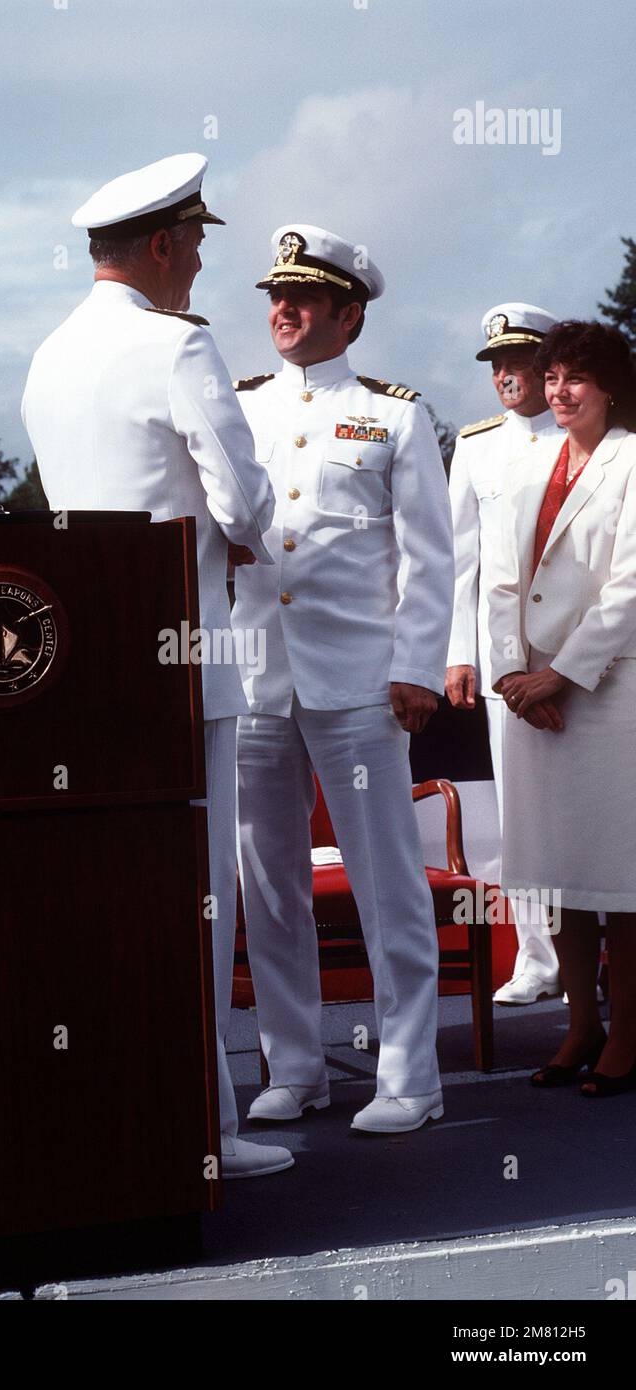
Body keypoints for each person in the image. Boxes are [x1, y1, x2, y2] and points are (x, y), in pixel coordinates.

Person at [21, 154, 292, 1176]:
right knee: (193, 887)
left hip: (87, 662)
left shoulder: (47, 355)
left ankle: (130, 1111)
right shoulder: (176, 346)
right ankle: (201, 1126)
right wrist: (252, 537)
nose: (196, 269)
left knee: (113, 889)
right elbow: (241, 496)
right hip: (188, 653)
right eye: (196, 247)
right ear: (166, 247)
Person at [231, 224, 454, 1133]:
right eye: (276, 298)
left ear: (348, 314)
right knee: (268, 884)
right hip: (253, 676)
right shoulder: (237, 406)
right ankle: (295, 1064)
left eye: (304, 299)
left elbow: (432, 560)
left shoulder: (394, 415)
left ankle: (410, 1076)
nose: (282, 311)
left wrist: (416, 668)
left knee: (385, 882)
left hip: (360, 679)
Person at [488, 319, 636, 1097]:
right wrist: (515, 673)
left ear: (612, 386)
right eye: (552, 377)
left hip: (610, 693)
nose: (559, 391)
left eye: (576, 377)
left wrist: (564, 676)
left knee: (620, 877)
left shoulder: (634, 460)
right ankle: (582, 1026)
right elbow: (500, 578)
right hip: (534, 698)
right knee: (563, 874)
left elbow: (630, 592)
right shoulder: (532, 460)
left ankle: (630, 1036)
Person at [446, 303, 563, 1005]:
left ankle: (596, 958)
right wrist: (460, 654)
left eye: (517, 361)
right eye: (495, 364)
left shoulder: (588, 438)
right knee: (518, 811)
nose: (505, 376)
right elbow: (462, 561)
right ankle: (538, 960)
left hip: (583, 660)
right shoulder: (477, 445)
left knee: (591, 808)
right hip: (505, 660)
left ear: (547, 366)